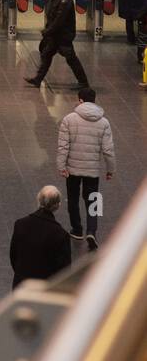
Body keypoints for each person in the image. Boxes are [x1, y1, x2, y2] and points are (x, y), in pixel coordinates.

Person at [58, 87, 116, 250]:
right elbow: (108, 150)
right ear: (94, 100)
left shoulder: (69, 119)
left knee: (73, 198)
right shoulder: (103, 122)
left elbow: (63, 146)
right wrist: (110, 169)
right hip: (92, 170)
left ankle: (77, 229)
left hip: (73, 169)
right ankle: (92, 230)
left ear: (80, 100)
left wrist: (61, 165)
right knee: (93, 199)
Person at [25, 0, 90, 89]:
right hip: (55, 35)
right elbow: (51, 15)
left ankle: (83, 82)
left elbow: (59, 20)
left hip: (63, 36)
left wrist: (47, 31)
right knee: (46, 55)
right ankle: (38, 79)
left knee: (71, 58)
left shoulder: (65, 0)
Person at [9, 186, 73, 289]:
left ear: (39, 200)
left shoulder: (20, 224)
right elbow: (64, 269)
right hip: (45, 289)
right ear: (57, 205)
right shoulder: (61, 234)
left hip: (21, 284)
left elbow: (13, 255)